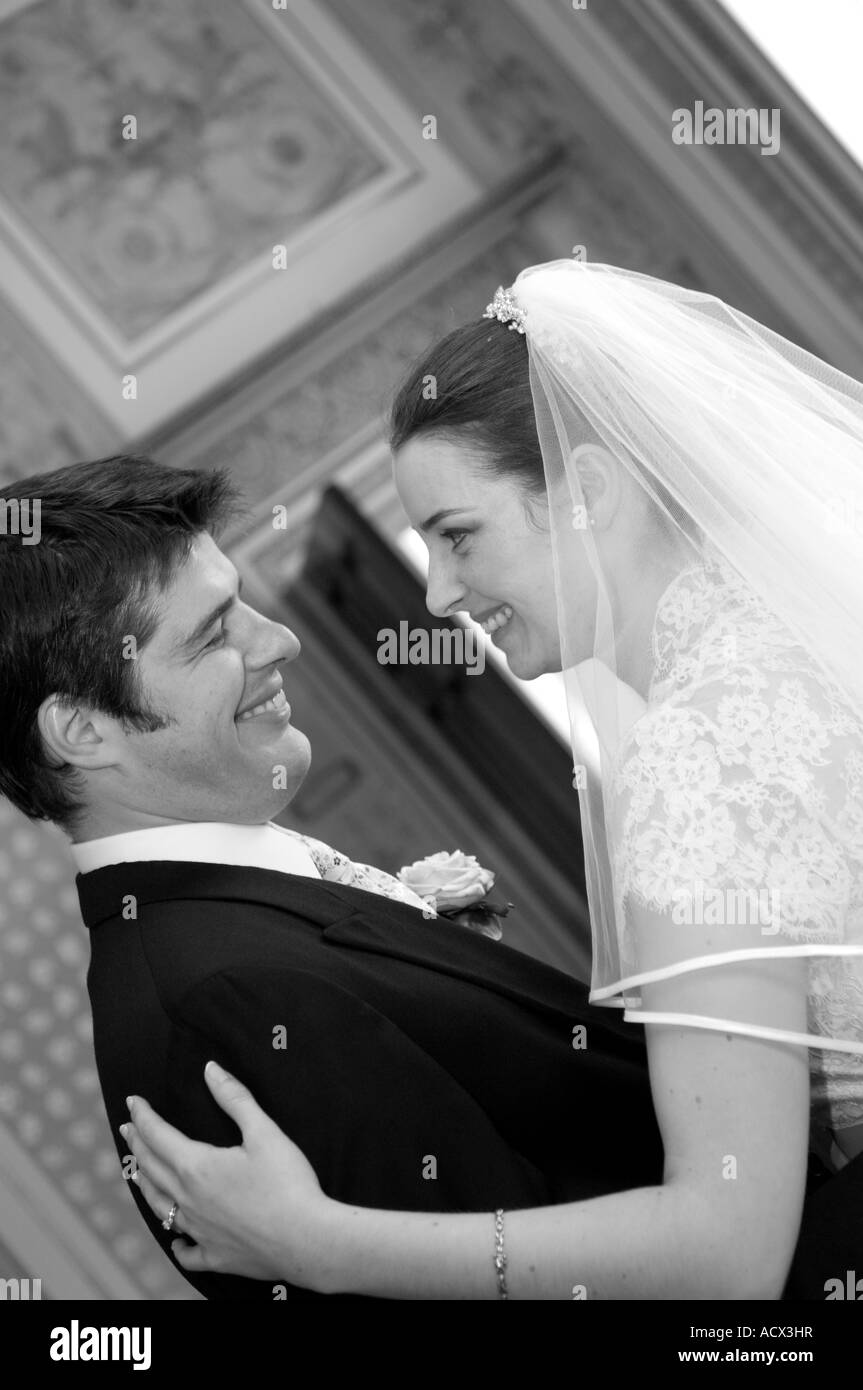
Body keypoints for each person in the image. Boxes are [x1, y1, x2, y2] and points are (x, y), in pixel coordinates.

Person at [122, 261, 863, 1300]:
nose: (434, 593)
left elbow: (724, 1253)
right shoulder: (804, 654)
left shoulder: (702, 760)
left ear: (588, 492)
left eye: (456, 535)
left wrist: (320, 1245)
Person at [0, 454, 669, 1303]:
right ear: (85, 732)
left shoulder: (247, 914)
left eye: (243, 603)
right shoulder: (225, 1003)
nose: (279, 639)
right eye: (214, 636)